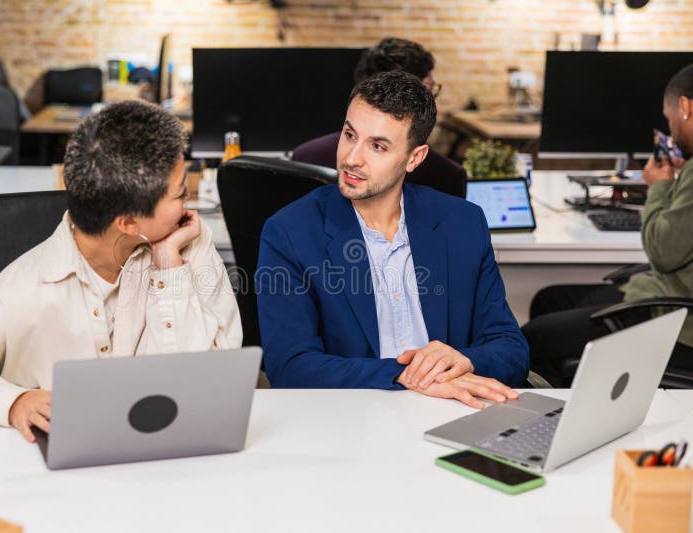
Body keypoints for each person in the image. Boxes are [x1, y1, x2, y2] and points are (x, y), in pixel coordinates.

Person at [0, 101, 242, 440]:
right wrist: (10, 401)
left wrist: (170, 269)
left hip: (174, 460)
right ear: (129, 222)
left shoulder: (185, 242)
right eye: (181, 194)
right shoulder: (25, 287)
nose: (188, 204)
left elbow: (212, 383)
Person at [257, 71, 528, 408]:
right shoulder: (289, 231)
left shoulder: (462, 222)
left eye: (378, 146)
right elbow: (290, 368)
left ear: (414, 158)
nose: (352, 158)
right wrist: (402, 376)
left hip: (452, 412)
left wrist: (466, 360)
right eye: (349, 134)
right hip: (350, 420)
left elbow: (511, 348)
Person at [523, 63, 693, 387]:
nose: (670, 132)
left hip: (677, 323)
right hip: (667, 294)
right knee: (547, 300)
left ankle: (571, 421)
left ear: (685, 108)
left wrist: (658, 185)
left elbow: (664, 251)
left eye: (670, 119)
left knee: (530, 340)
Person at [291, 37, 467, 199]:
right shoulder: (445, 176)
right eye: (429, 88)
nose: (352, 160)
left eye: (378, 146)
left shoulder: (305, 154)